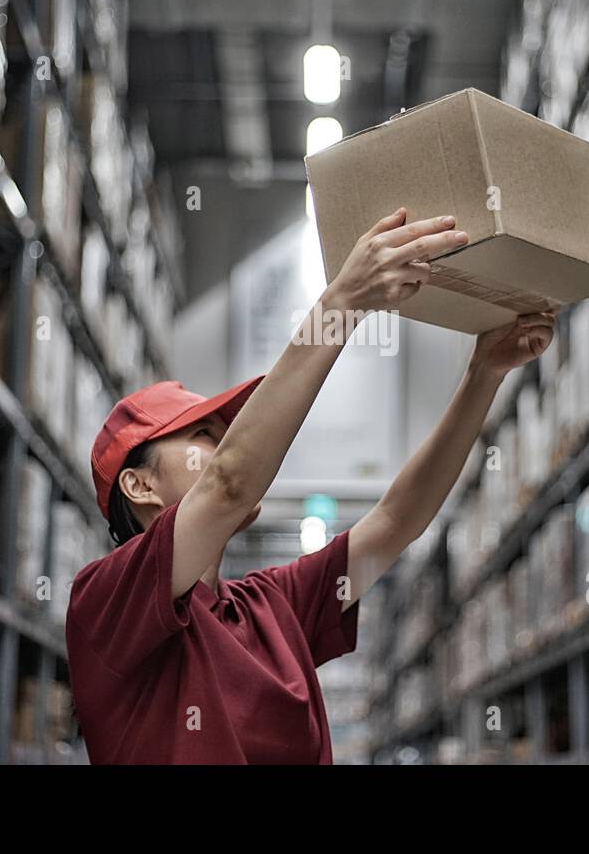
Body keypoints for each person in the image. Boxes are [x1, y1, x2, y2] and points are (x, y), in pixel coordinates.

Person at [66, 208, 556, 763]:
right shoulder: (106, 603)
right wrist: (343, 303)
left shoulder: (272, 607)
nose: (226, 449)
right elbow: (228, 484)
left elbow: (397, 520)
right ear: (138, 484)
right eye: (203, 436)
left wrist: (483, 374)